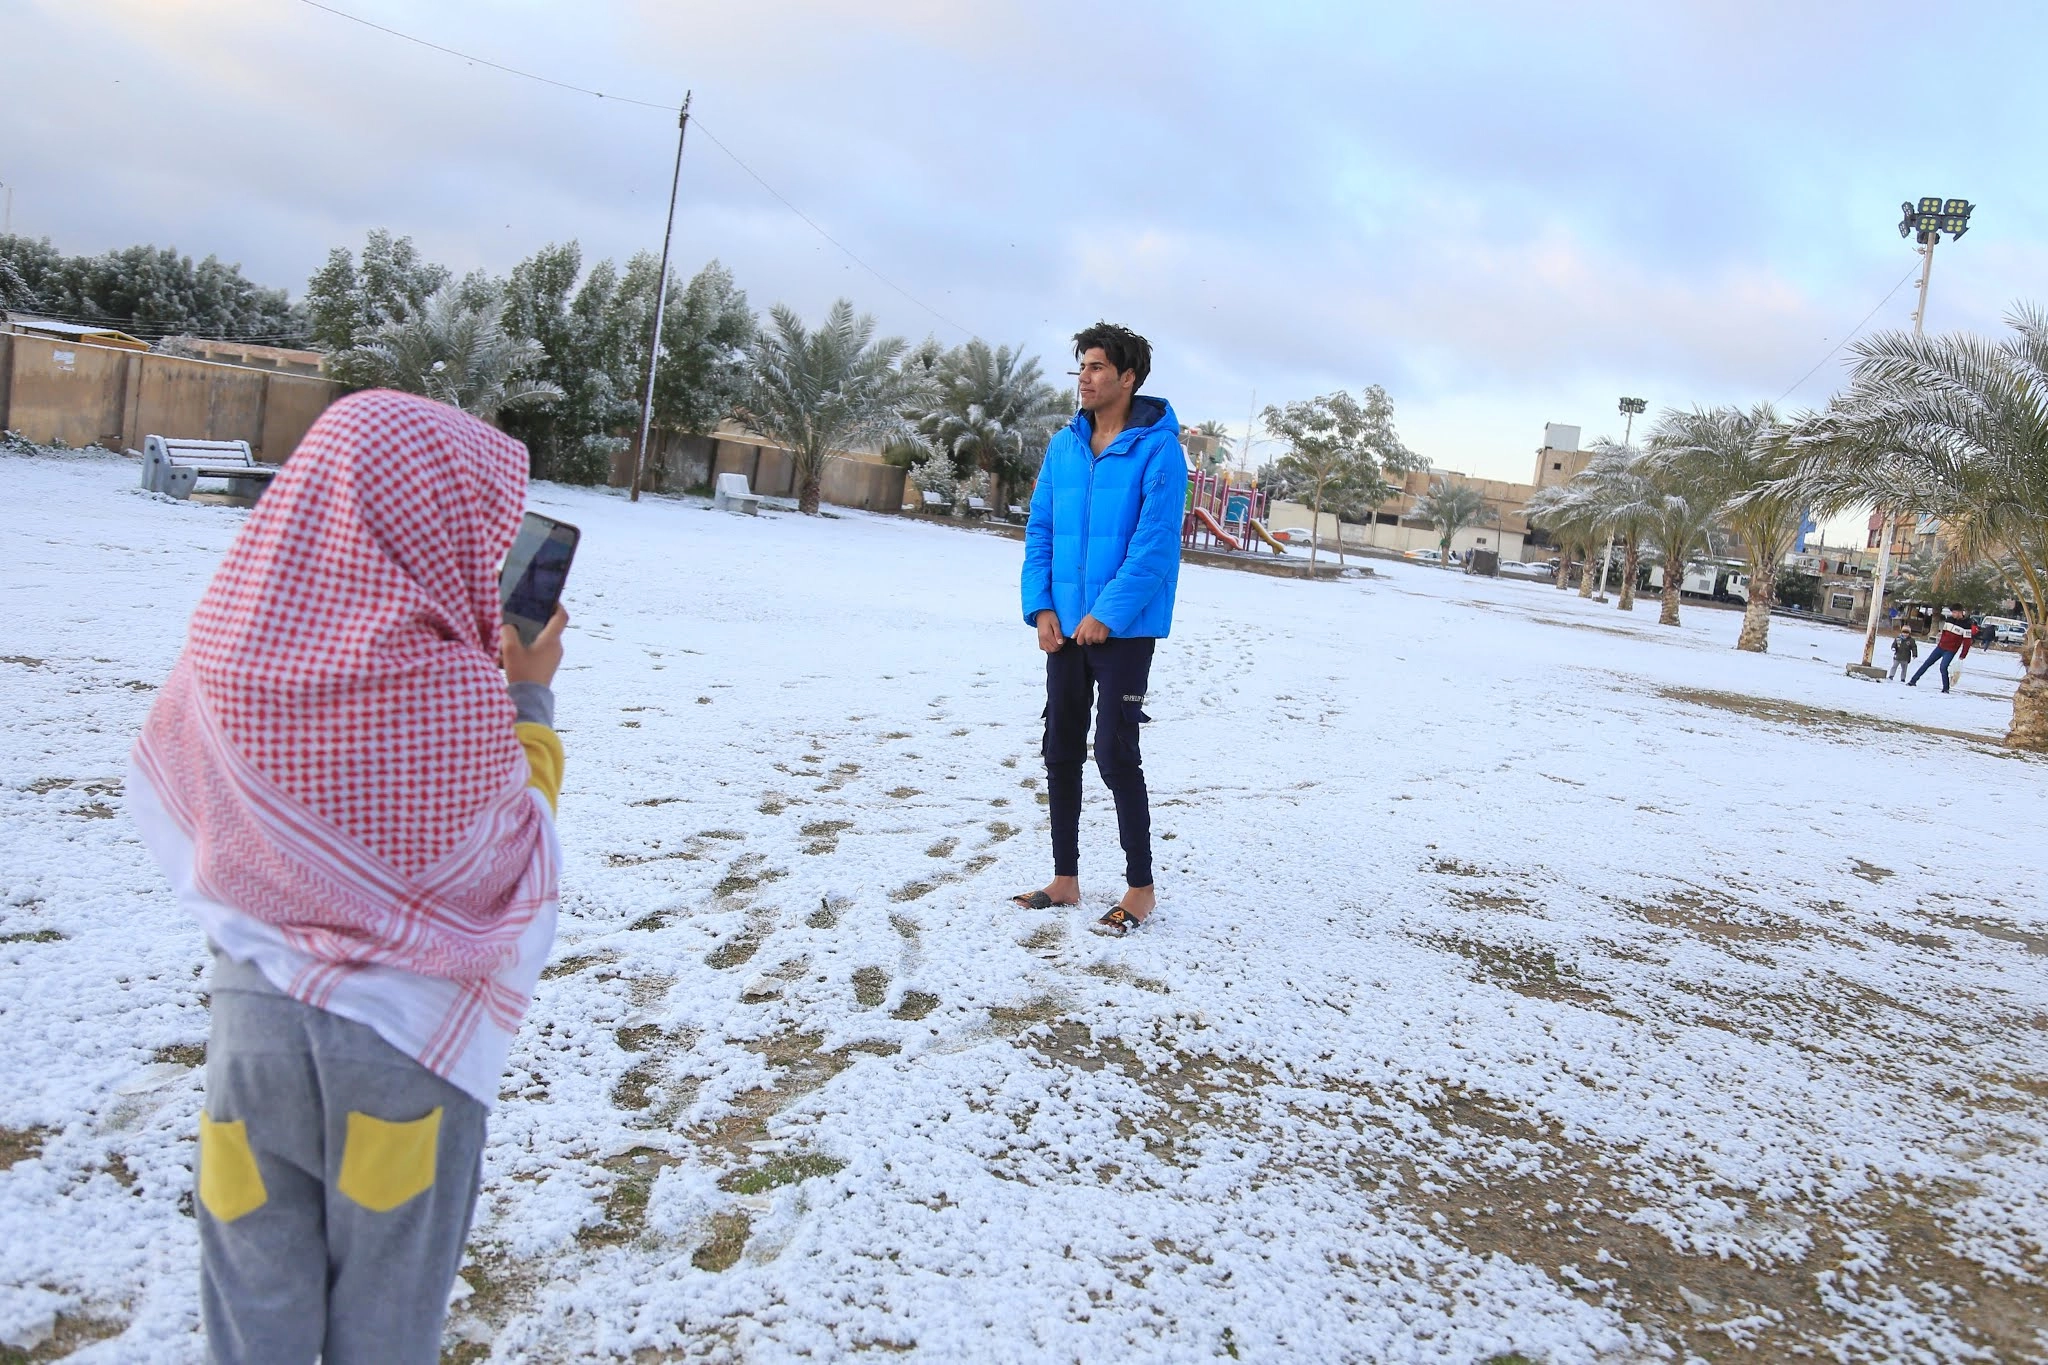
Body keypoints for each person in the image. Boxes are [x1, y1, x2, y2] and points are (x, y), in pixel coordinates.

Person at [128, 391, 570, 1364]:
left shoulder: (229, 648)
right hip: (403, 1062)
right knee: (384, 1328)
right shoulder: (448, 690)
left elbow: (199, 802)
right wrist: (527, 694)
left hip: (251, 1040)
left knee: (253, 1324)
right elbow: (512, 855)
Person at [1013, 322, 1188, 936]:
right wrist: (1043, 607)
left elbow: (1156, 546)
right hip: (1064, 627)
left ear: (1127, 377)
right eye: (1080, 368)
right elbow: (1040, 531)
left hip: (1125, 630)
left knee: (1114, 753)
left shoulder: (1159, 449)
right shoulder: (1064, 446)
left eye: (1095, 368)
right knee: (1060, 748)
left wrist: (1105, 614)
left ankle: (1140, 888)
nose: (1083, 379)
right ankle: (1065, 880)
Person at [1908, 605, 1973, 692]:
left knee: (1943, 667)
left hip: (1951, 650)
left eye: (1954, 612)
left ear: (1960, 612)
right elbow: (1944, 632)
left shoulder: (1967, 624)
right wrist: (1941, 642)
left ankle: (1946, 688)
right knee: (1927, 663)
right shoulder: (1949, 620)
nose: (1953, 614)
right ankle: (1913, 681)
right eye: (1952, 612)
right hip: (1941, 647)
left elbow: (1967, 641)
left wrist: (1963, 655)